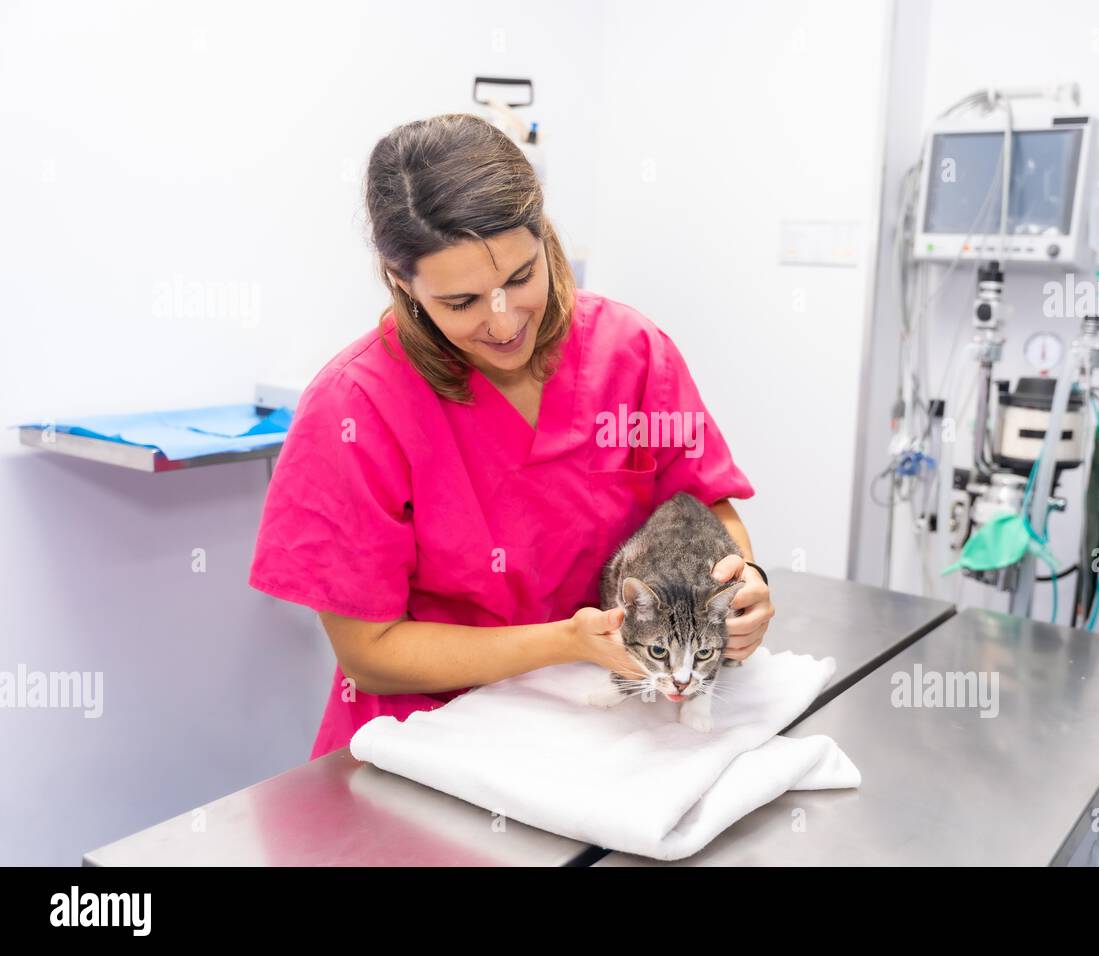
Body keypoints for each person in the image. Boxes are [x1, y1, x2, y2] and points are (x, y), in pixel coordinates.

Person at [248, 113, 774, 759]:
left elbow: (705, 506)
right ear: (400, 283)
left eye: (520, 279)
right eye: (461, 302)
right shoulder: (355, 408)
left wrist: (740, 581)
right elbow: (372, 655)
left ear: (545, 235)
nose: (502, 324)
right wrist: (567, 641)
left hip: (610, 720)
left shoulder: (631, 352)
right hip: (432, 741)